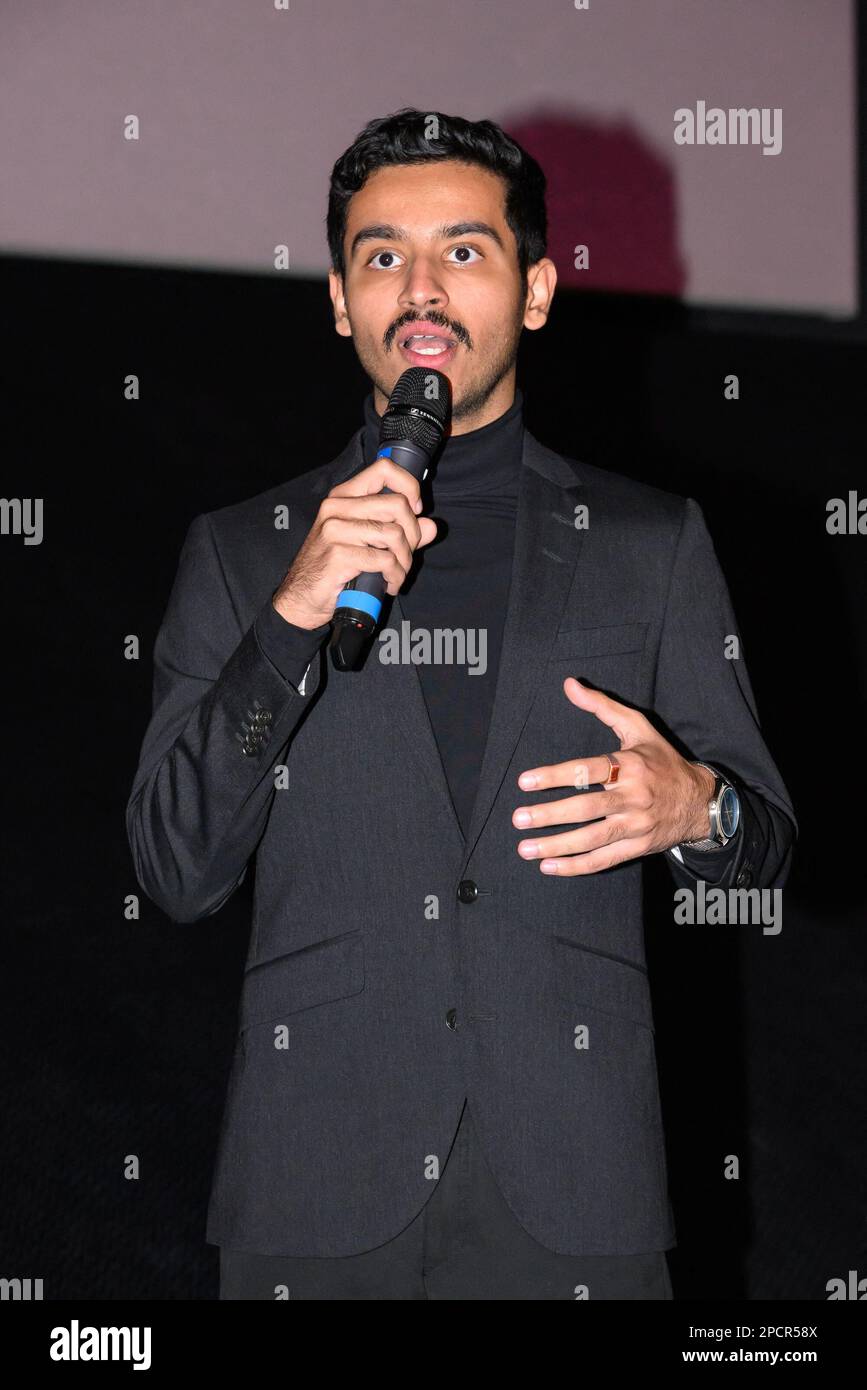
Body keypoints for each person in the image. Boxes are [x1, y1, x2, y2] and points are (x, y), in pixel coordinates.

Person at [126, 109, 797, 1300]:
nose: (420, 289)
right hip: (315, 1194)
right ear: (339, 300)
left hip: (578, 1197)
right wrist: (289, 620)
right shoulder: (244, 554)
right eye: (382, 256)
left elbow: (768, 856)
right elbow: (175, 868)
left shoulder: (651, 542)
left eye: (464, 252)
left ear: (536, 291)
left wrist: (699, 810)